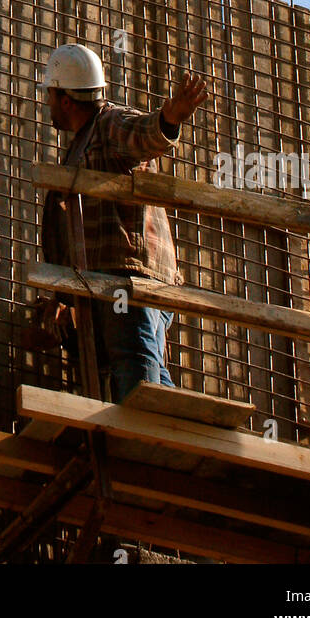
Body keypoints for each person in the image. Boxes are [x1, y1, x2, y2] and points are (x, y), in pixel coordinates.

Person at [36, 43, 207, 403]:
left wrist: (169, 119)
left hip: (130, 281)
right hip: (105, 284)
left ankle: (152, 449)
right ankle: (170, 441)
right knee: (142, 374)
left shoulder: (108, 122)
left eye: (50, 95)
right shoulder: (79, 147)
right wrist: (62, 295)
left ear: (65, 99)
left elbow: (144, 134)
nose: (47, 104)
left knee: (138, 376)